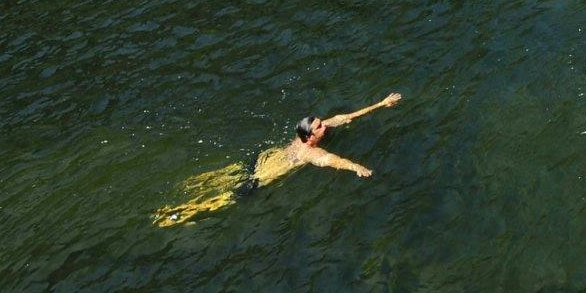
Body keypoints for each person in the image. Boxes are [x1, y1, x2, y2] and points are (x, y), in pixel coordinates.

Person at [154, 92, 402, 226]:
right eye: (319, 127)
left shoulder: (302, 138)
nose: (324, 126)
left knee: (222, 175)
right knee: (225, 198)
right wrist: (356, 167)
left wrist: (381, 103)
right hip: (261, 177)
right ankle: (180, 214)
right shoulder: (309, 152)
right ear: (310, 136)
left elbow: (345, 117)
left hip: (260, 159)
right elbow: (332, 160)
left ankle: (191, 185)